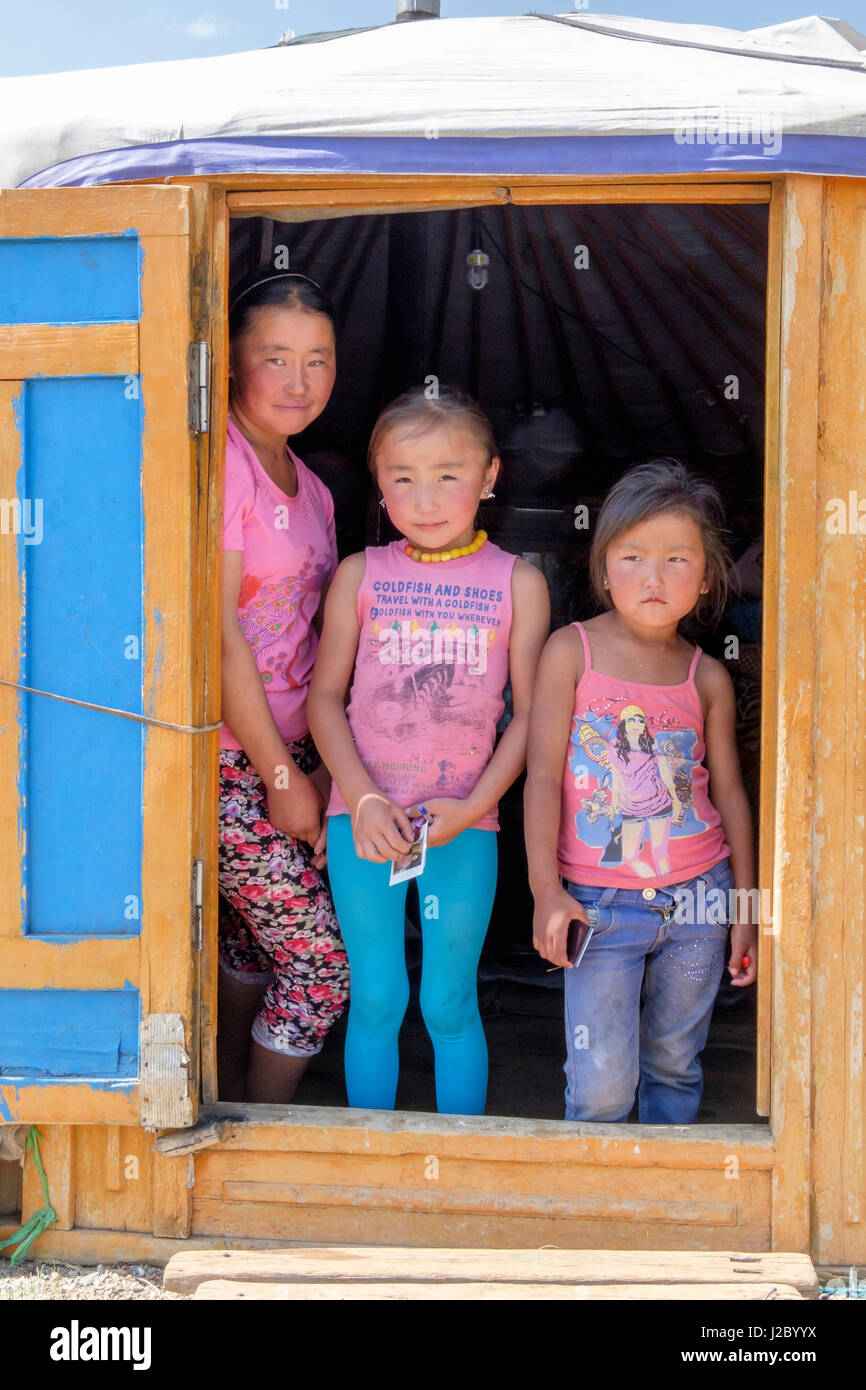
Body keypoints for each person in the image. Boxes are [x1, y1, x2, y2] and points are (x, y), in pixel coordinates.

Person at [308, 386, 550, 1115]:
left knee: (448, 1003)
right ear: (379, 485)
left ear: (490, 476)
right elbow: (324, 699)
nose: (426, 496)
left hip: (463, 826)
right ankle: (370, 1162)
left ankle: (459, 1166)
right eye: (402, 477)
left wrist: (476, 805)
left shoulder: (518, 582)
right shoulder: (361, 575)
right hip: (365, 824)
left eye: (449, 474)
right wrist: (362, 797)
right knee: (377, 997)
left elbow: (532, 716)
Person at [525, 458, 758, 1124]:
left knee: (675, 1066)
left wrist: (747, 909)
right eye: (633, 557)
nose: (654, 577)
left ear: (708, 576)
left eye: (677, 559)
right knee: (600, 1086)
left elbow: (733, 800)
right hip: (596, 905)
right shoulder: (571, 653)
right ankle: (598, 1216)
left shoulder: (705, 676)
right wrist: (546, 890)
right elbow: (542, 774)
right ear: (603, 570)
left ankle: (663, 1208)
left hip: (699, 902)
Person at [218, 270, 349, 1104]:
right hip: (234, 758)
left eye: (319, 360)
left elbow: (318, 640)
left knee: (253, 951)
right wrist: (279, 776)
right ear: (231, 362)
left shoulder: (316, 488)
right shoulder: (223, 467)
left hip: (295, 749)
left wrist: (323, 763)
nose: (300, 382)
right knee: (317, 968)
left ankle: (220, 1094)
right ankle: (257, 1136)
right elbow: (218, 634)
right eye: (276, 358)